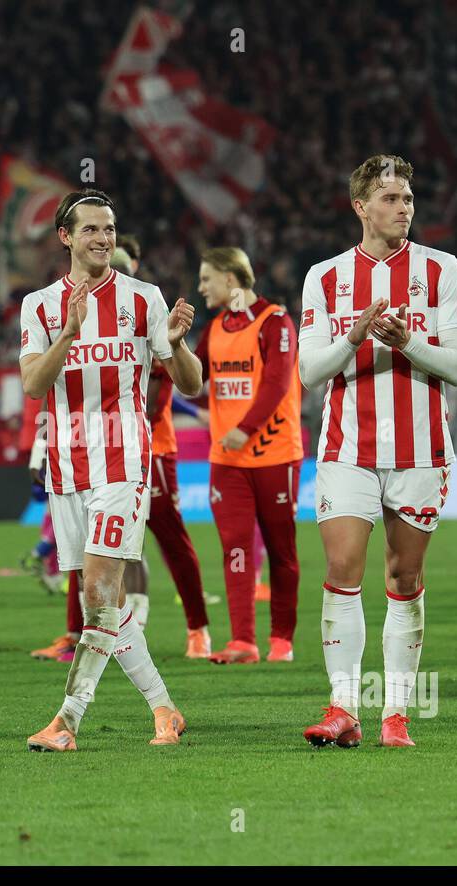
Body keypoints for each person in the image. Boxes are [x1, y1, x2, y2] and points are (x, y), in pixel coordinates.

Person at [298, 154, 457, 747]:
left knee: (404, 576)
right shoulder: (325, 277)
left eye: (408, 197)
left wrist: (408, 342)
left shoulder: (443, 270)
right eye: (392, 199)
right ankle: (343, 707)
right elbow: (308, 371)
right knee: (342, 569)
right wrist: (352, 336)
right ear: (361, 207)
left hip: (422, 450)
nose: (404, 208)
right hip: (348, 445)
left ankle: (395, 714)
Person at [21, 188, 201, 751]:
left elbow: (192, 383)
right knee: (104, 603)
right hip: (66, 466)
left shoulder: (145, 299)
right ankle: (163, 709)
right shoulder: (41, 305)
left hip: (123, 461)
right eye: (91, 229)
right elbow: (32, 385)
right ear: (66, 238)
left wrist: (179, 345)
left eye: (109, 229)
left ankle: (67, 720)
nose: (103, 238)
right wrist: (70, 334)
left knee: (99, 592)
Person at [195, 246, 303, 664]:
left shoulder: (275, 321)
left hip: (275, 455)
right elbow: (193, 379)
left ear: (228, 278)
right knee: (235, 547)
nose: (201, 287)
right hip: (228, 462)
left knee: (280, 550)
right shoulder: (215, 328)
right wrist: (171, 348)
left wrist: (246, 429)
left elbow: (277, 383)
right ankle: (243, 641)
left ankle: (282, 640)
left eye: (206, 278)